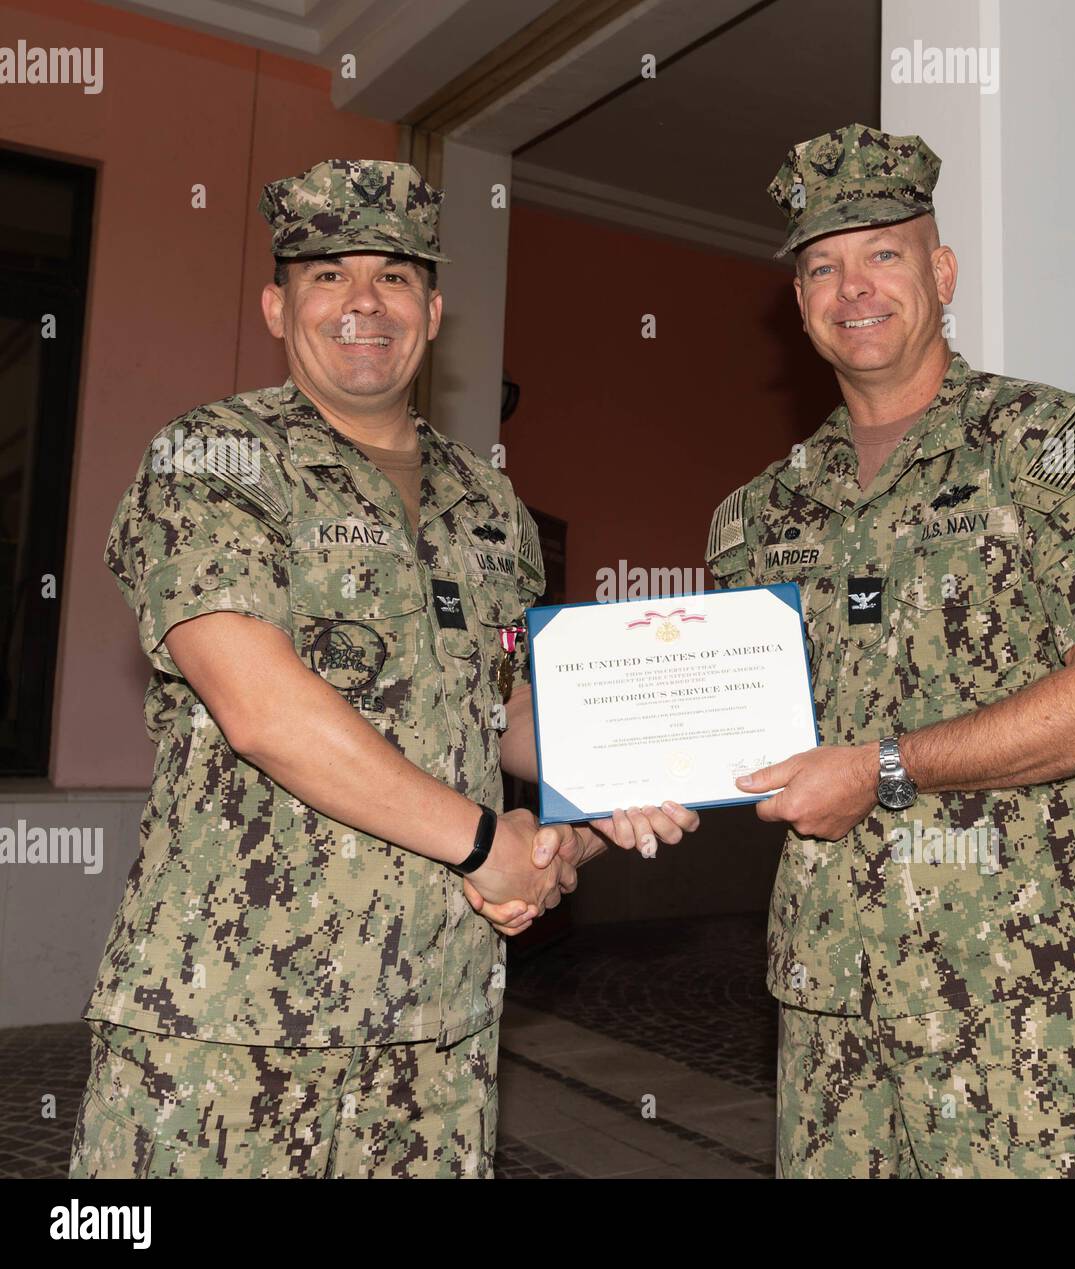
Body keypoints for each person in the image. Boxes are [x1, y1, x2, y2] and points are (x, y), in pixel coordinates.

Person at [70, 158, 695, 1178]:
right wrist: (490, 843)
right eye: (328, 274)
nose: (363, 302)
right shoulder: (211, 462)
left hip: (434, 1026)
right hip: (231, 1022)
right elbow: (263, 710)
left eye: (394, 276)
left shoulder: (488, 506)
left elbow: (500, 709)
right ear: (279, 306)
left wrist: (620, 779)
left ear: (434, 309)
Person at [706, 125, 1075, 1179]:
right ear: (797, 304)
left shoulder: (1059, 447)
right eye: (821, 265)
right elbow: (722, 738)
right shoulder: (754, 517)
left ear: (941, 270)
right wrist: (583, 821)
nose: (853, 287)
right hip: (832, 995)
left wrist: (882, 767)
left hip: (1028, 991)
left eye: (884, 251)